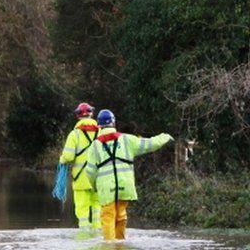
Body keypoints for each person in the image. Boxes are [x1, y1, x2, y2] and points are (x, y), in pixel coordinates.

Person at [84, 109, 172, 240]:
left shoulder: (95, 146)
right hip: (125, 187)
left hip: (106, 189)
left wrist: (95, 187)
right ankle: (120, 247)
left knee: (108, 217)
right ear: (114, 124)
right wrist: (165, 137)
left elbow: (90, 172)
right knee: (121, 216)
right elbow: (149, 144)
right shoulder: (127, 140)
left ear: (99, 126)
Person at [60, 102, 101, 230]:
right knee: (97, 208)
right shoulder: (101, 132)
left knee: (82, 210)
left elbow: (68, 157)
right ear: (92, 114)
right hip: (98, 178)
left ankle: (84, 236)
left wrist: (61, 160)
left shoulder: (74, 134)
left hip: (81, 178)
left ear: (78, 116)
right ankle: (97, 234)